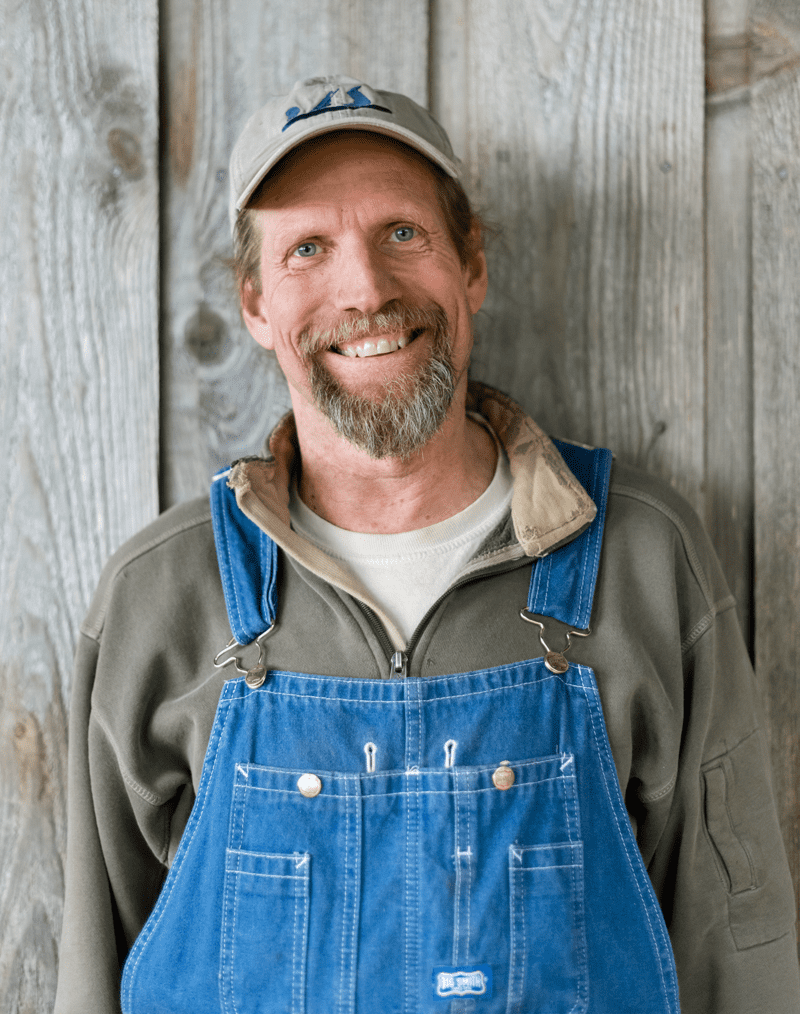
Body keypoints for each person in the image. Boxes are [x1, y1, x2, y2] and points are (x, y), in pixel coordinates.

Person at [55, 76, 799, 1014]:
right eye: (308, 248)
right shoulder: (160, 598)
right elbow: (92, 975)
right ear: (255, 302)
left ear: (471, 264)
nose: (365, 288)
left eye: (402, 232)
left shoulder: (644, 563)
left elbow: (741, 958)